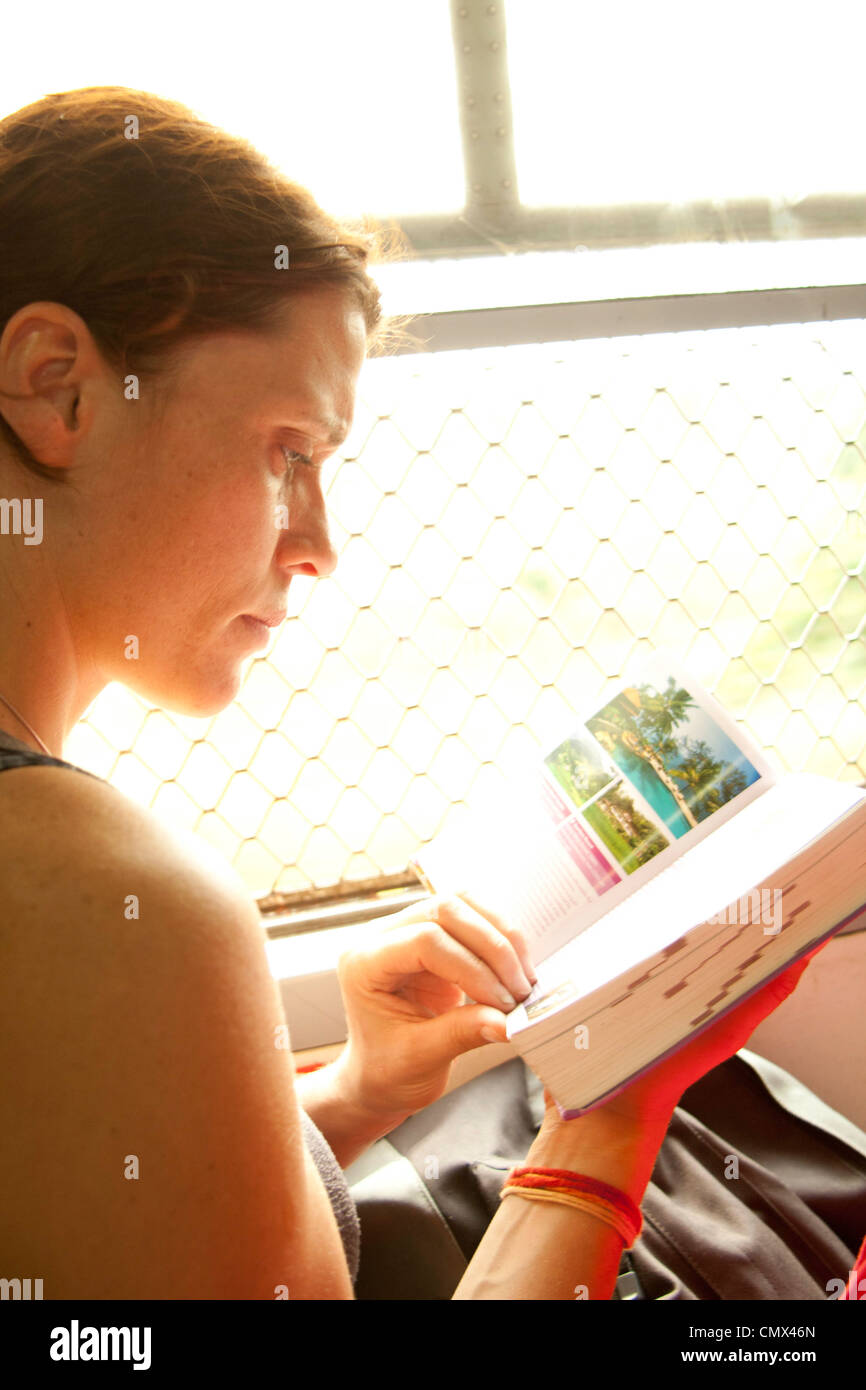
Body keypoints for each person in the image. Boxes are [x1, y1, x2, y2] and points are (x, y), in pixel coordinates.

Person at [0, 85, 861, 1301]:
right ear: (56, 386)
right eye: (288, 451)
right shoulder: (110, 899)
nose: (321, 545)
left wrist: (353, 1094)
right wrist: (609, 1110)